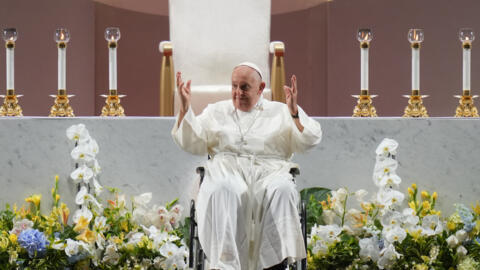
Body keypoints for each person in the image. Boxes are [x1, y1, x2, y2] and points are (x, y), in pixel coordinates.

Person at [172, 62, 322, 270]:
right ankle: (226, 264)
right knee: (225, 189)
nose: (237, 92)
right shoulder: (216, 111)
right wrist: (185, 108)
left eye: (244, 87)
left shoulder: (281, 110)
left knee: (283, 189)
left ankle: (275, 264)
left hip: (271, 171)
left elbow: (310, 140)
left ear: (261, 88)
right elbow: (192, 141)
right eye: (234, 86)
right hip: (227, 170)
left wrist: (295, 113)